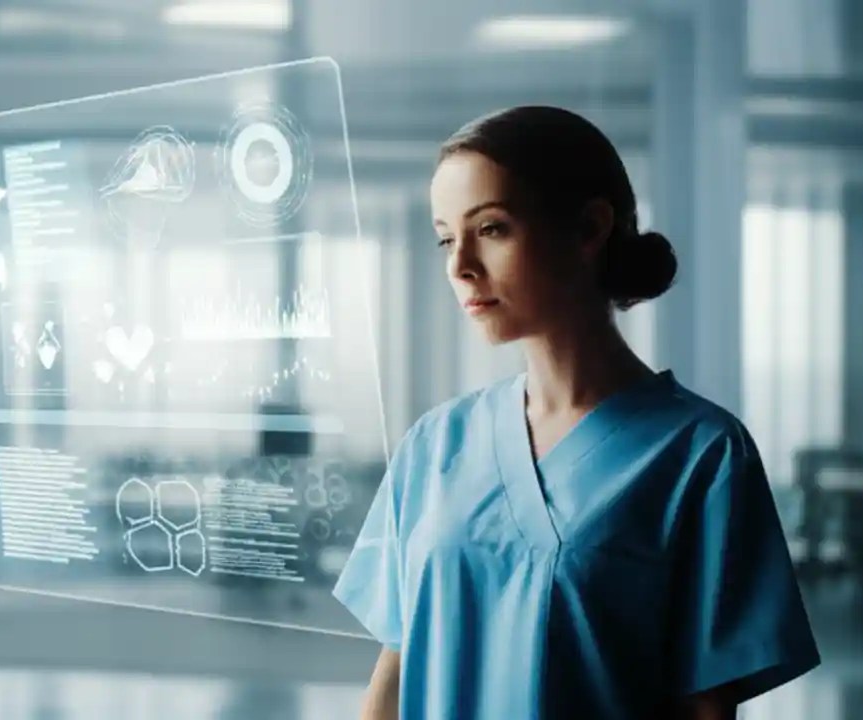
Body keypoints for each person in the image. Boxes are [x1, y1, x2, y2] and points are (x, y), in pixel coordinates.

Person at [332, 106, 820, 720]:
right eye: (446, 238)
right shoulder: (434, 446)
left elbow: (705, 709)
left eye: (491, 229)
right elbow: (394, 677)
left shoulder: (701, 455)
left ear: (589, 228)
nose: (460, 266)